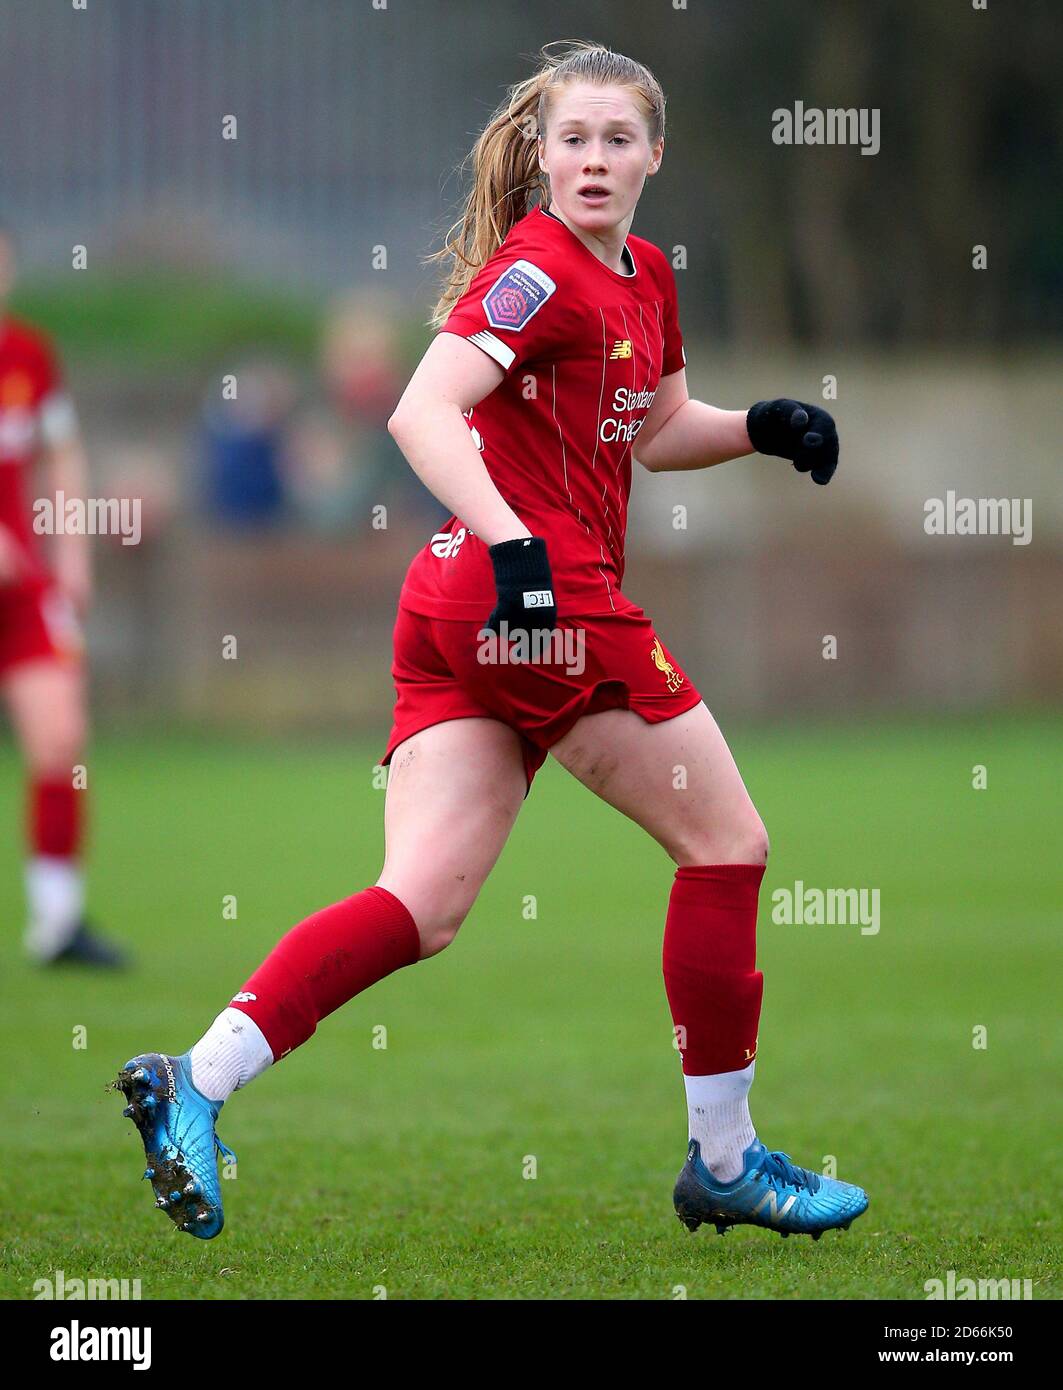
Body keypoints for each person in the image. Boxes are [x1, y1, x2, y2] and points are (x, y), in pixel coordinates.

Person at [115, 40, 866, 1242]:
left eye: (619, 140)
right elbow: (424, 408)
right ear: (540, 152)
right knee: (727, 844)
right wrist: (520, 545)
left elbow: (657, 425)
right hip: (537, 599)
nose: (594, 160)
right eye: (572, 140)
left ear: (653, 155)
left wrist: (761, 427)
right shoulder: (535, 272)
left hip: (456, 608)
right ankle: (724, 1160)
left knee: (421, 903)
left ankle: (194, 1079)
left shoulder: (645, 276)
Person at [0, 221, 126, 967]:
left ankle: (58, 924)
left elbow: (62, 453)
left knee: (59, 741)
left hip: (23, 592)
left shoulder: (27, 354)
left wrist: (71, 551)